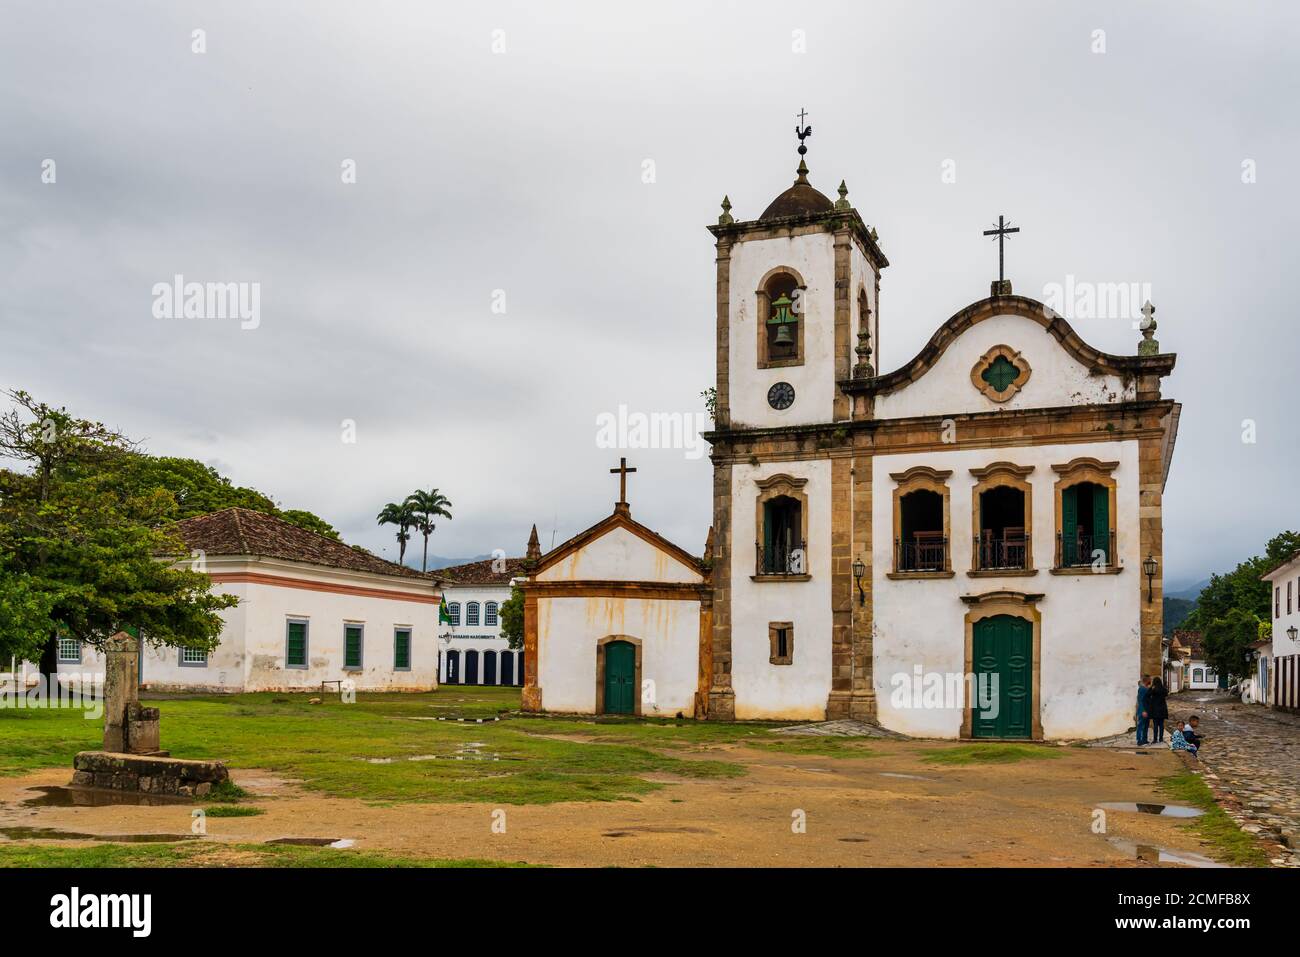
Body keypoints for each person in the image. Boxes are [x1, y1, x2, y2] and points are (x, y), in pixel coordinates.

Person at [1146, 676, 1169, 743]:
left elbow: (1147, 694)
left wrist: (1151, 687)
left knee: (1155, 725)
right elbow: (1166, 693)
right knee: (1161, 725)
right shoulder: (1163, 689)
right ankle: (1161, 738)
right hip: (1162, 709)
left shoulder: (1153, 689)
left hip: (1155, 709)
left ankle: (1155, 739)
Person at [1135, 675, 1152, 745]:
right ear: (1147, 680)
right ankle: (1139, 740)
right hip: (1143, 711)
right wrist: (1143, 711)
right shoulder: (1142, 689)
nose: (1151, 681)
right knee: (1141, 726)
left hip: (1147, 710)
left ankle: (1144, 739)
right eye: (1150, 680)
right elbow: (1140, 701)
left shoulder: (1146, 688)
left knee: (1146, 726)